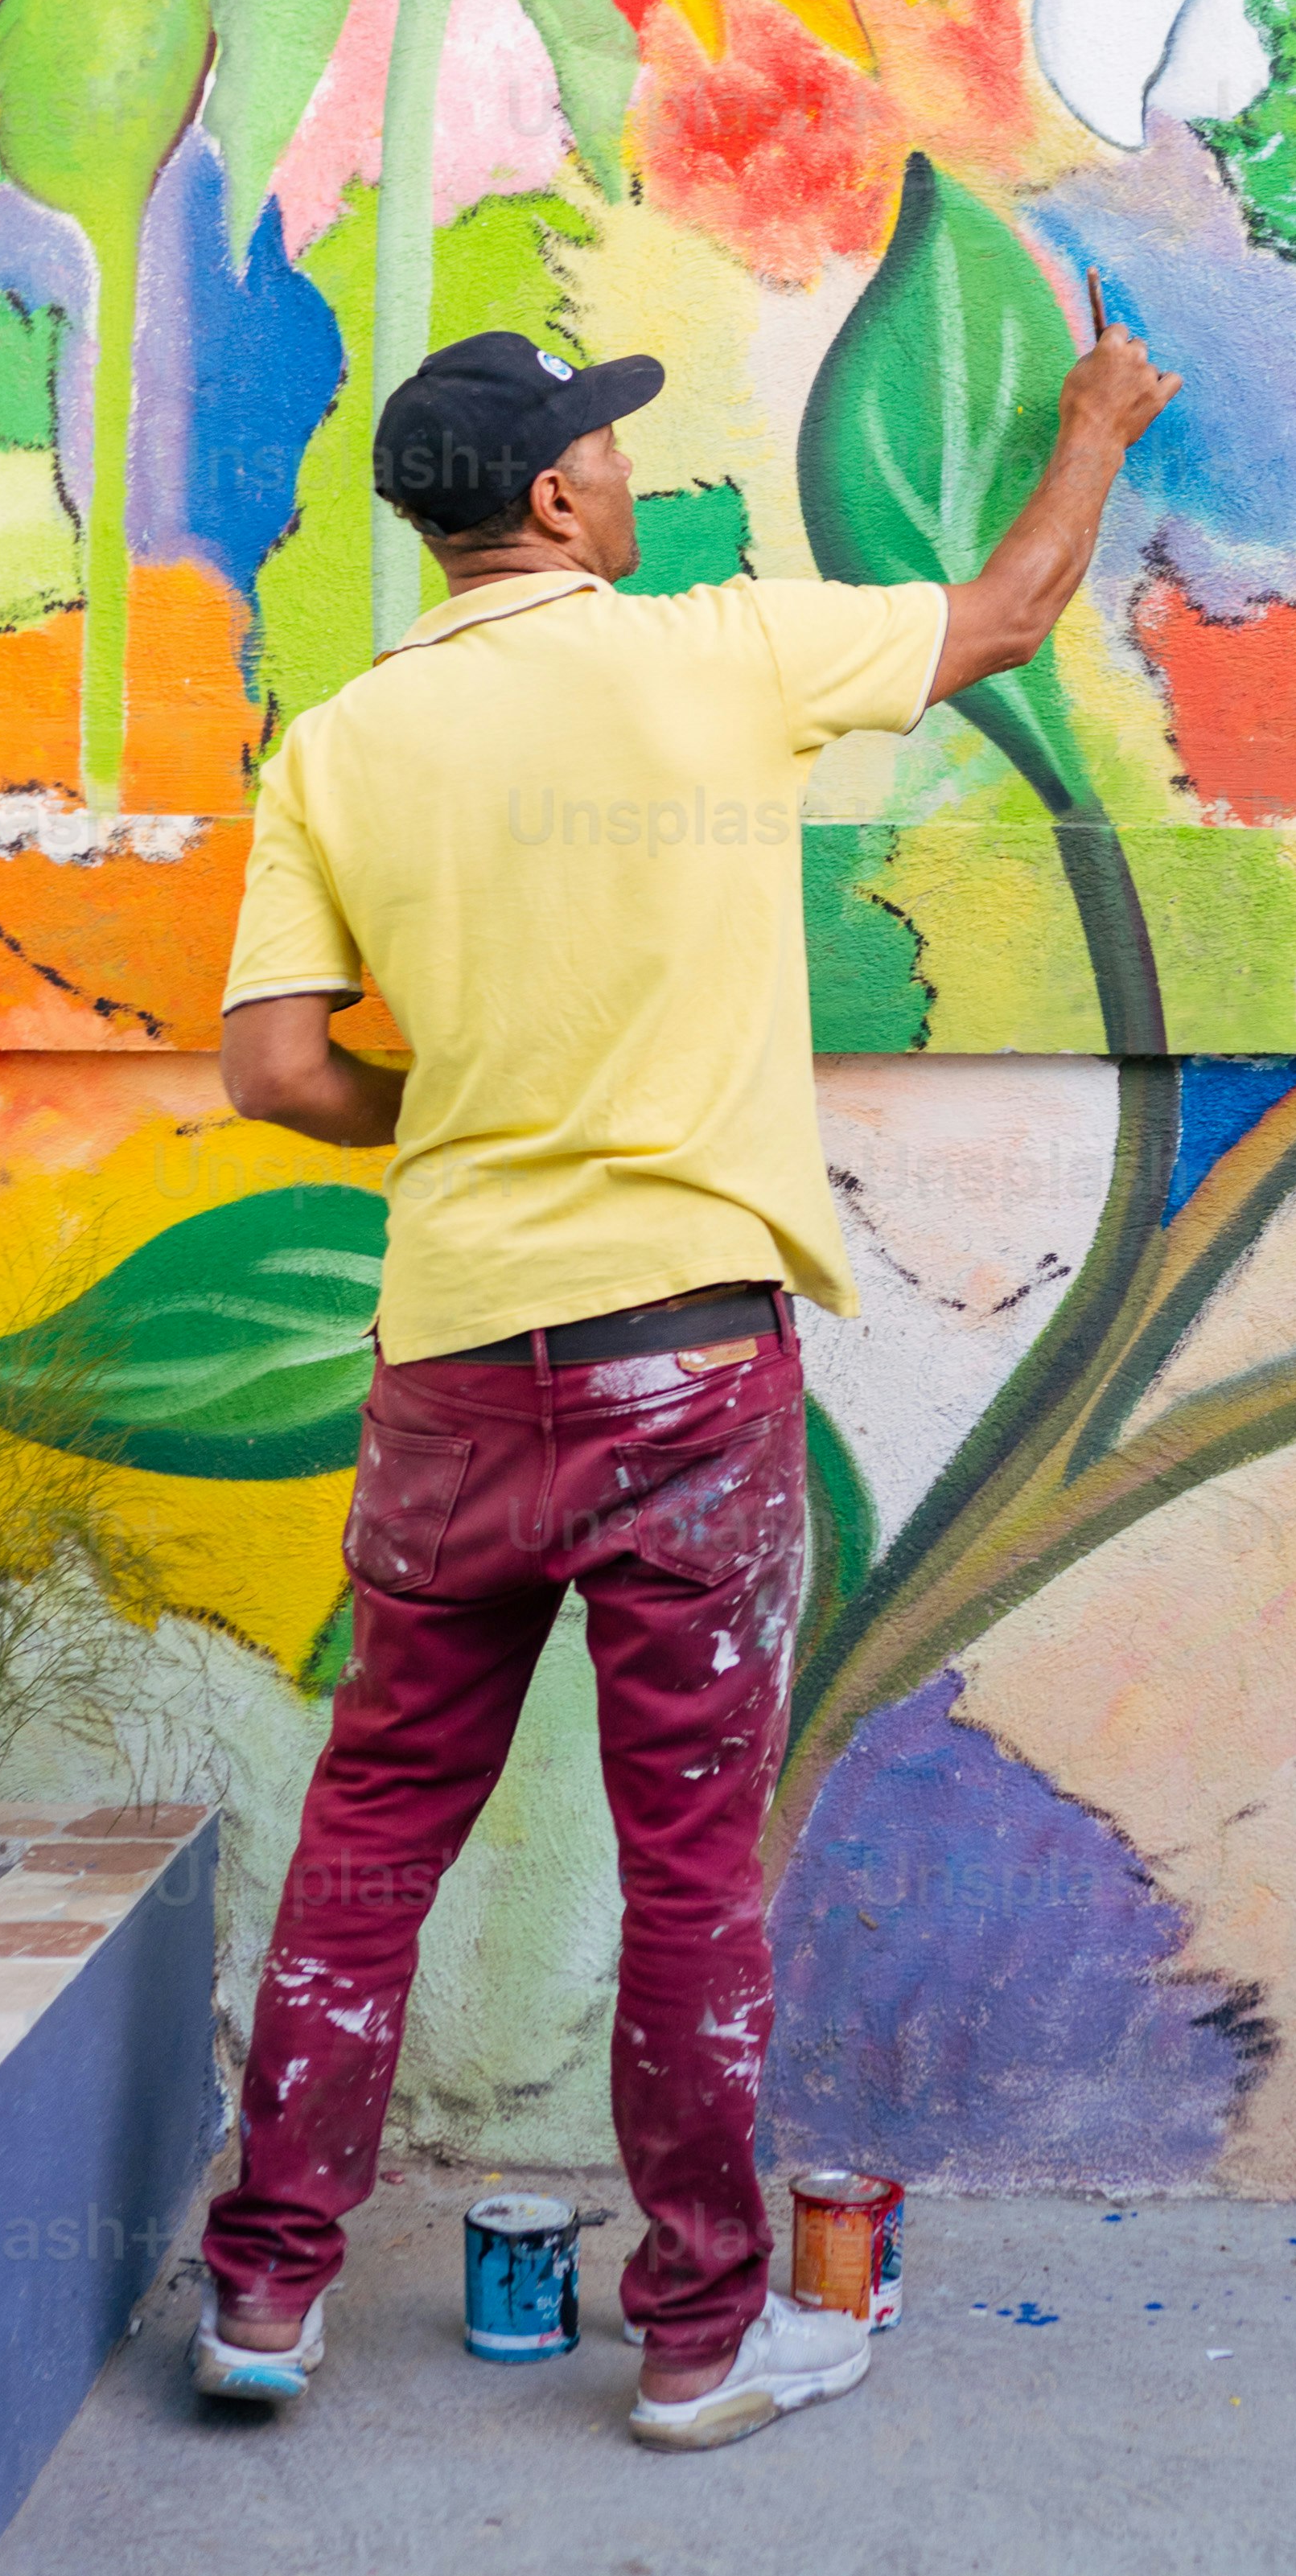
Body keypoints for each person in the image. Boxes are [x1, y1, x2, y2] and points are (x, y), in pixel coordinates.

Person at [194, 307, 1177, 2448]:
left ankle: (263, 2295)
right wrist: (1094, 421)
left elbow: (273, 1066)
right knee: (691, 1869)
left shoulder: (339, 747)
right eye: (608, 450)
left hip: (455, 1364)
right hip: (684, 1374)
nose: (633, 475)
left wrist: (455, 1116)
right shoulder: (716, 654)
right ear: (557, 500)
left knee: (372, 1833)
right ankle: (702, 2343)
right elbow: (1007, 615)